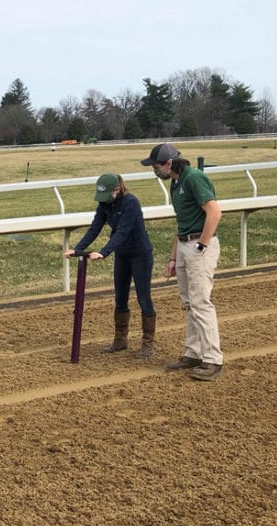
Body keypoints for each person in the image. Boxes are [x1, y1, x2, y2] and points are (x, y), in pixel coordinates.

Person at [141, 143, 224, 381]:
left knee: (201, 303)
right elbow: (180, 223)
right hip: (185, 246)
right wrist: (173, 256)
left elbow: (214, 212)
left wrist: (202, 245)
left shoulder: (194, 179)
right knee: (190, 304)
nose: (154, 170)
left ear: (168, 164)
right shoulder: (176, 184)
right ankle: (193, 353)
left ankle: (213, 359)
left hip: (200, 246)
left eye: (156, 166)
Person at [65, 173, 156, 358]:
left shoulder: (131, 203)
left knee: (143, 298)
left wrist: (104, 252)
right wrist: (77, 249)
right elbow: (95, 228)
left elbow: (122, 232)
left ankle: (148, 344)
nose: (104, 201)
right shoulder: (104, 205)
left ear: (116, 189)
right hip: (122, 254)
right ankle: (120, 340)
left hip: (140, 255)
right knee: (120, 298)